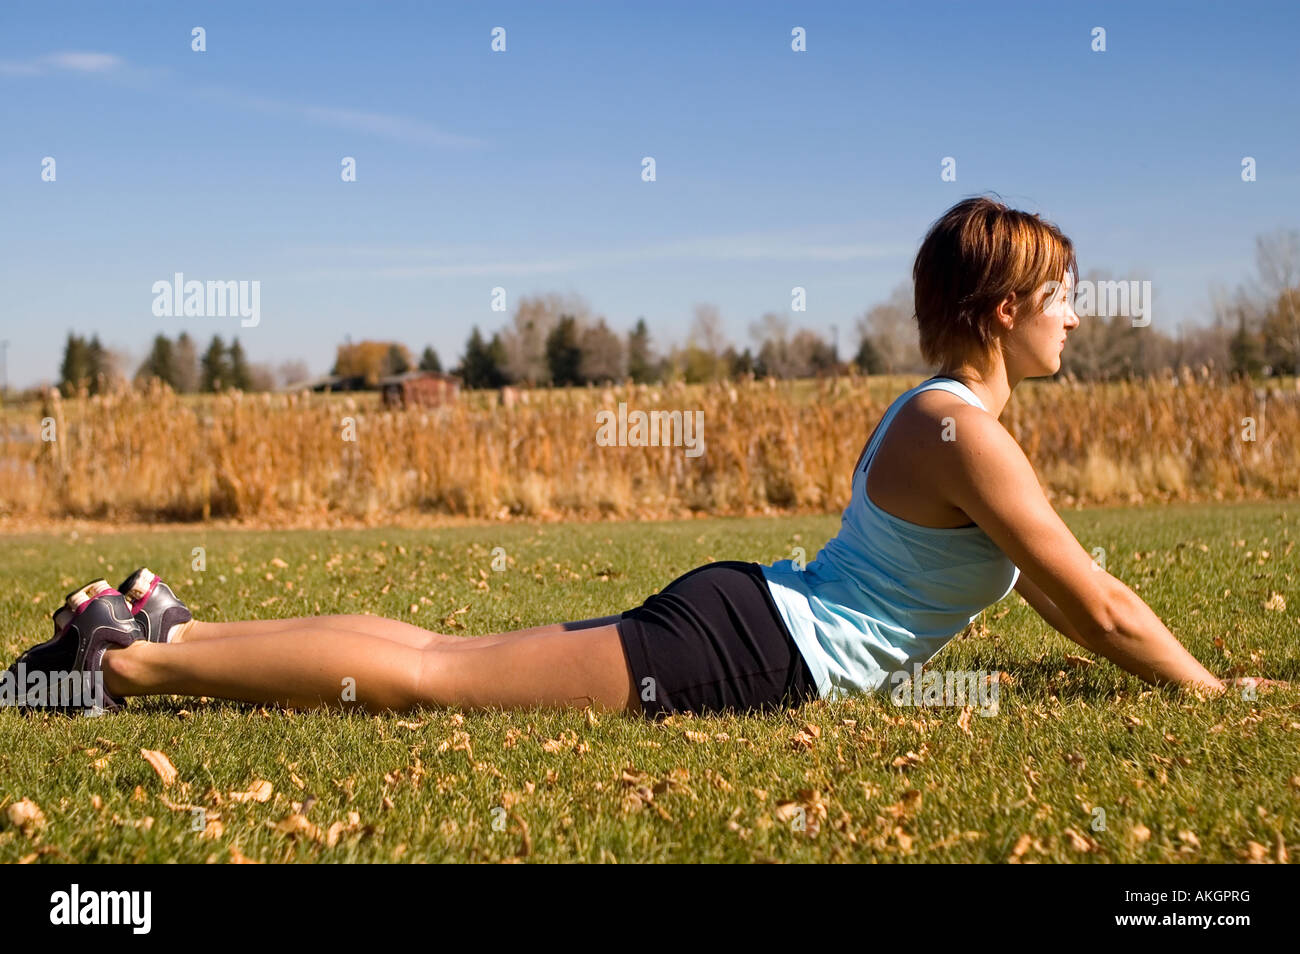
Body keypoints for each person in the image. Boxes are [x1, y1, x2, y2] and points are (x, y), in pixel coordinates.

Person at [2, 196, 1259, 720]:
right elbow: (1091, 600)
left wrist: (1174, 676)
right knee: (438, 681)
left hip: (745, 619)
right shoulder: (959, 430)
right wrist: (1215, 699)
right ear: (999, 310)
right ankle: (138, 667)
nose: (1078, 316)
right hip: (749, 647)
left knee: (448, 661)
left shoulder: (945, 416)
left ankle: (165, 627)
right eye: (1061, 296)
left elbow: (1063, 597)